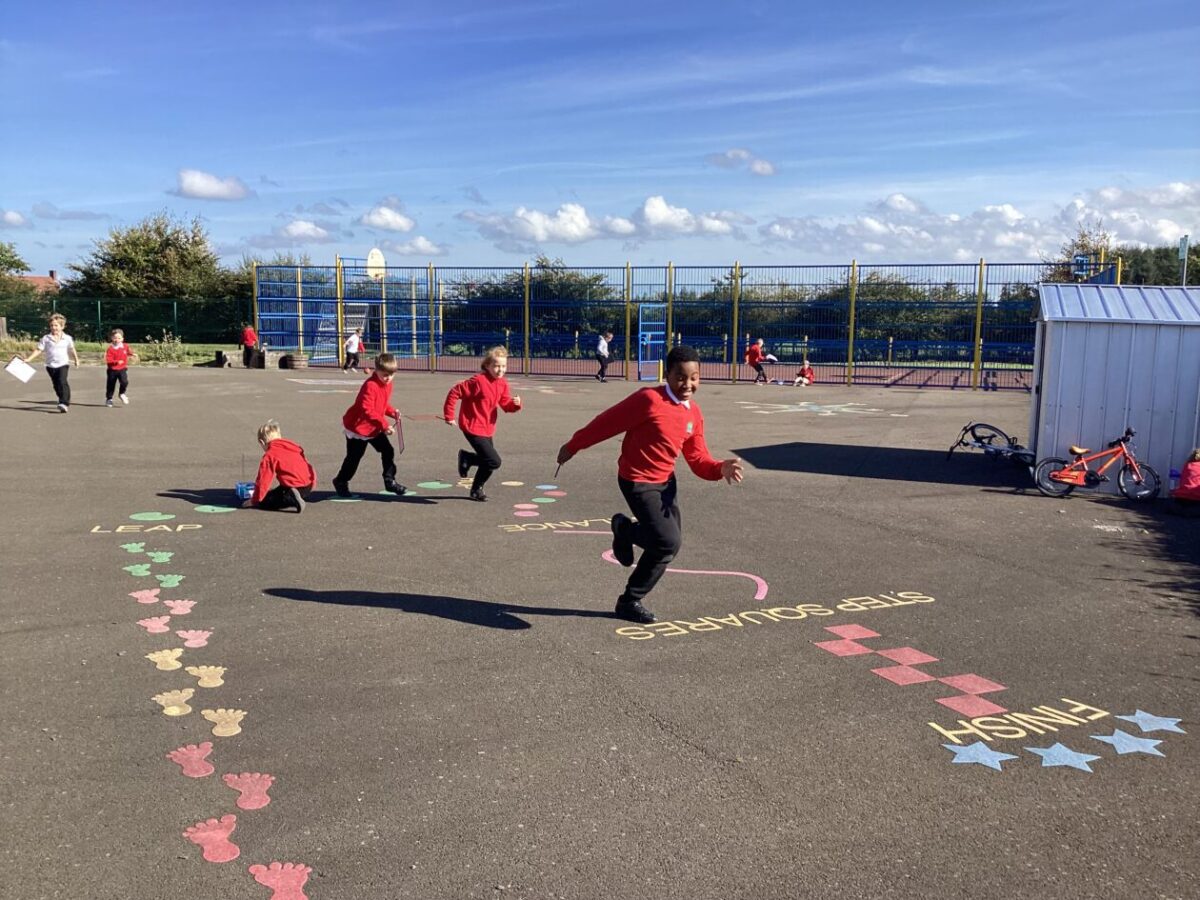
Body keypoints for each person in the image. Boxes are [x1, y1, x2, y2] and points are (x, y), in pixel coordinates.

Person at [556, 345, 744, 624]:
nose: (688, 384)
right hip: (636, 480)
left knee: (667, 546)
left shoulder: (693, 413)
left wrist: (720, 468)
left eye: (694, 377)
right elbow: (607, 423)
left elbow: (697, 458)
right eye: (680, 377)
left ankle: (625, 530)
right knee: (667, 542)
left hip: (665, 483)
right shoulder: (649, 400)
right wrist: (574, 445)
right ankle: (629, 600)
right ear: (667, 374)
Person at [443, 346, 523, 502]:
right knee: (494, 461)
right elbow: (455, 392)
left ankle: (474, 484)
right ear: (487, 365)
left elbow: (506, 405)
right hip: (472, 426)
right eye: (496, 366)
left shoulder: (502, 384)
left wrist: (516, 404)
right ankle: (470, 465)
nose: (500, 370)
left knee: (489, 463)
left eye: (504, 366)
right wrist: (449, 415)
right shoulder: (478, 381)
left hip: (487, 428)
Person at [332, 353, 407, 497]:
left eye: (392, 374)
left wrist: (393, 412)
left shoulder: (387, 384)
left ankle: (389, 481)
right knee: (354, 458)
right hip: (358, 428)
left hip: (373, 427)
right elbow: (367, 410)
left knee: (388, 450)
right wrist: (384, 425)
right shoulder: (370, 386)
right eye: (385, 374)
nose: (388, 378)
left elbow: (382, 405)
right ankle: (340, 481)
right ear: (376, 370)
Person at [244, 420, 316, 513]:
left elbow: (263, 480)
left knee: (265, 501)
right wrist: (312, 483)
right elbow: (307, 465)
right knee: (277, 492)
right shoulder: (293, 447)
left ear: (262, 442)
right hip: (308, 486)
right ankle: (294, 495)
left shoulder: (270, 455)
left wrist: (254, 500)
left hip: (294, 487)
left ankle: (292, 497)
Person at [24, 313, 80, 413]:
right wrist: (29, 359)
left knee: (62, 381)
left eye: (56, 325)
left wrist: (76, 359)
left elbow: (72, 349)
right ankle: (61, 398)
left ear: (62, 326)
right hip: (50, 365)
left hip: (63, 364)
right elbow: (38, 350)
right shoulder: (46, 338)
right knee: (56, 384)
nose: (53, 328)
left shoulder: (67, 338)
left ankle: (64, 402)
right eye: (51, 325)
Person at [104, 328, 138, 407]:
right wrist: (116, 362)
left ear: (122, 339)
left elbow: (128, 352)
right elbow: (108, 360)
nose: (117, 340)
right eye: (115, 338)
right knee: (111, 385)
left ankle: (122, 393)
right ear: (111, 338)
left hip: (122, 368)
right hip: (112, 370)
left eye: (119, 338)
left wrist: (132, 354)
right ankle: (109, 399)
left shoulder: (125, 346)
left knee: (124, 381)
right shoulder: (110, 349)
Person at [1166, 449, 1200, 516]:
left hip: (1181, 497)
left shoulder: (1187, 465)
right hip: (1196, 498)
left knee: (1172, 501)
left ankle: (1178, 510)